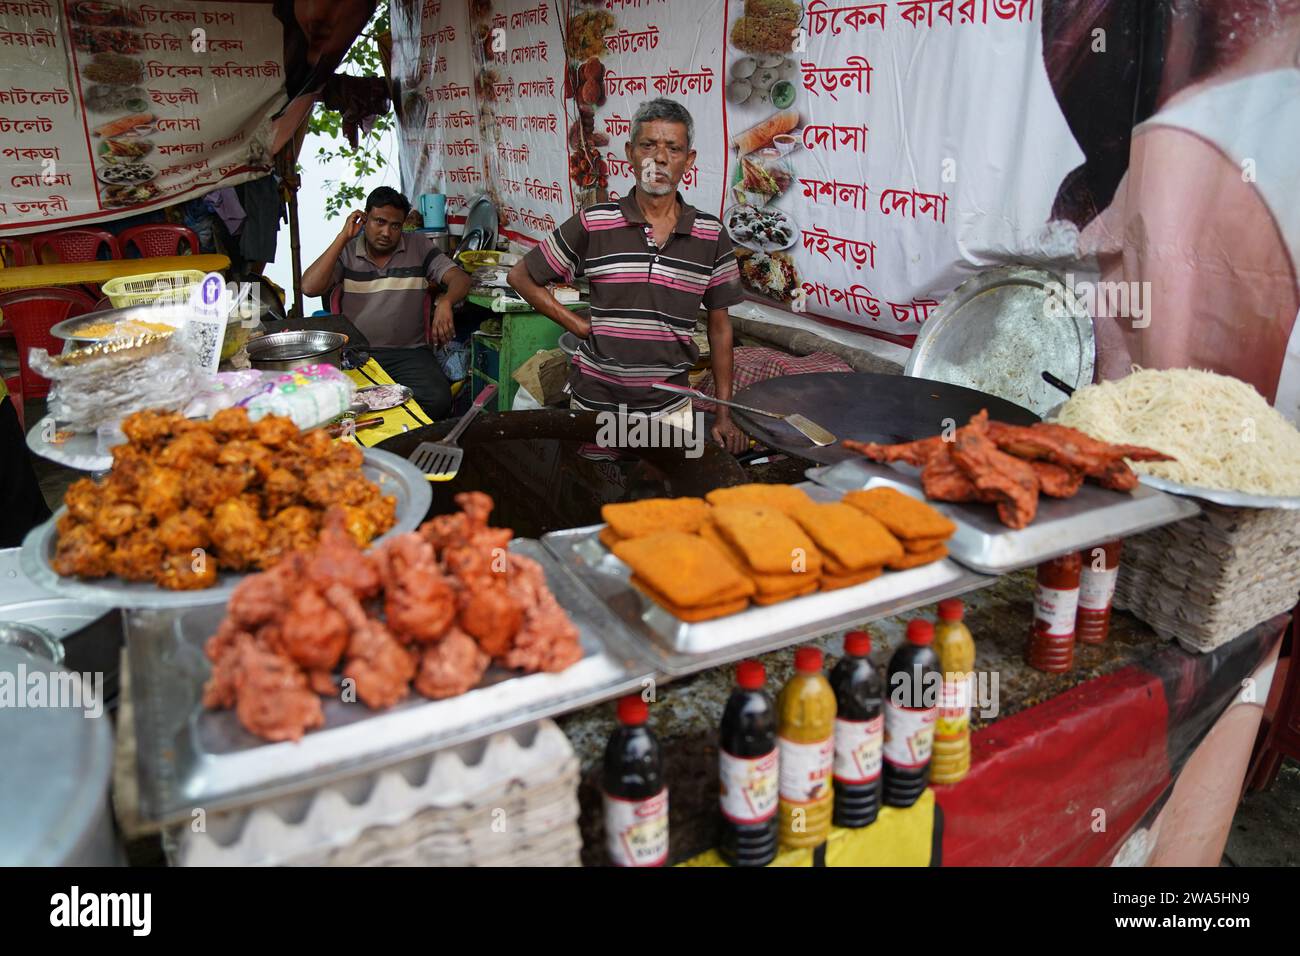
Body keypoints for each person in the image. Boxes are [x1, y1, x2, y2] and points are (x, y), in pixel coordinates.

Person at [507, 98, 748, 454]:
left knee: (660, 501)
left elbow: (720, 326)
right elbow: (520, 277)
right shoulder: (596, 222)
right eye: (648, 145)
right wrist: (579, 326)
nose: (660, 158)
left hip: (669, 409)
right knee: (595, 494)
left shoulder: (710, 235)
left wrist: (724, 412)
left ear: (689, 160)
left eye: (674, 148)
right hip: (597, 403)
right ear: (630, 153)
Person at [302, 186, 470, 419]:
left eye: (395, 225)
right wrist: (342, 237)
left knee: (438, 400)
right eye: (379, 222)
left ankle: (401, 442)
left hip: (409, 353)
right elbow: (309, 287)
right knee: (339, 406)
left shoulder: (418, 246)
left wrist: (446, 301)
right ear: (364, 219)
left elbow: (460, 278)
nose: (386, 232)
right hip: (357, 354)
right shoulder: (348, 251)